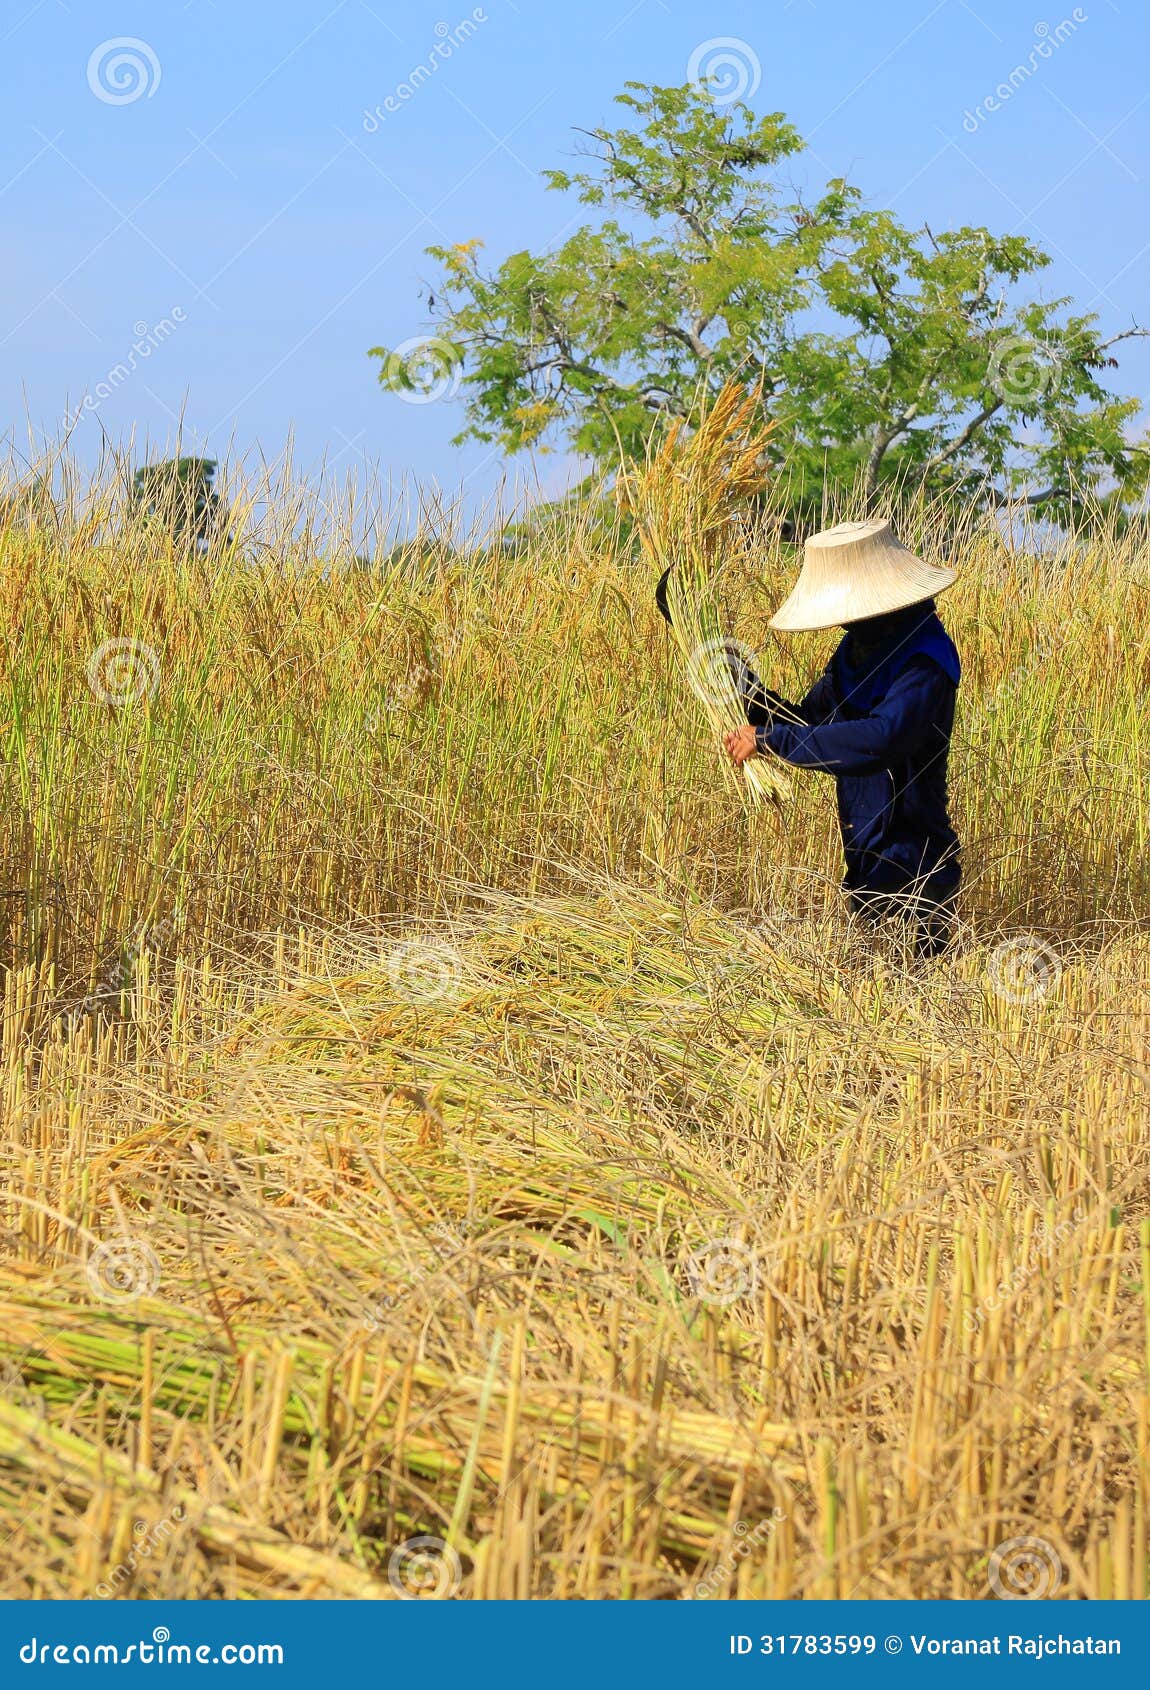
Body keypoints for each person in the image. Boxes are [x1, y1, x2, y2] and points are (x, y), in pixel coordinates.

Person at [658, 517, 962, 957]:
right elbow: (806, 722)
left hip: (916, 878)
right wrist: (732, 676)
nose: (843, 625)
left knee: (912, 1006)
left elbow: (879, 740)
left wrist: (769, 741)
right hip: (869, 868)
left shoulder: (925, 659)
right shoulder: (858, 651)